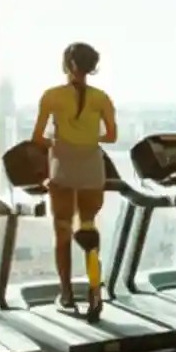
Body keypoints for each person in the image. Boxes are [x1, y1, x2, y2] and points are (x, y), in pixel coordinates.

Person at [31, 42, 117, 313]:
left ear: (68, 65)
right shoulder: (102, 97)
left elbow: (37, 138)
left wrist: (60, 142)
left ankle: (66, 294)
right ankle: (94, 290)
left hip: (63, 167)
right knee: (89, 230)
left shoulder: (51, 96)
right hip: (92, 165)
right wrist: (90, 139)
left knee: (63, 232)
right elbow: (112, 136)